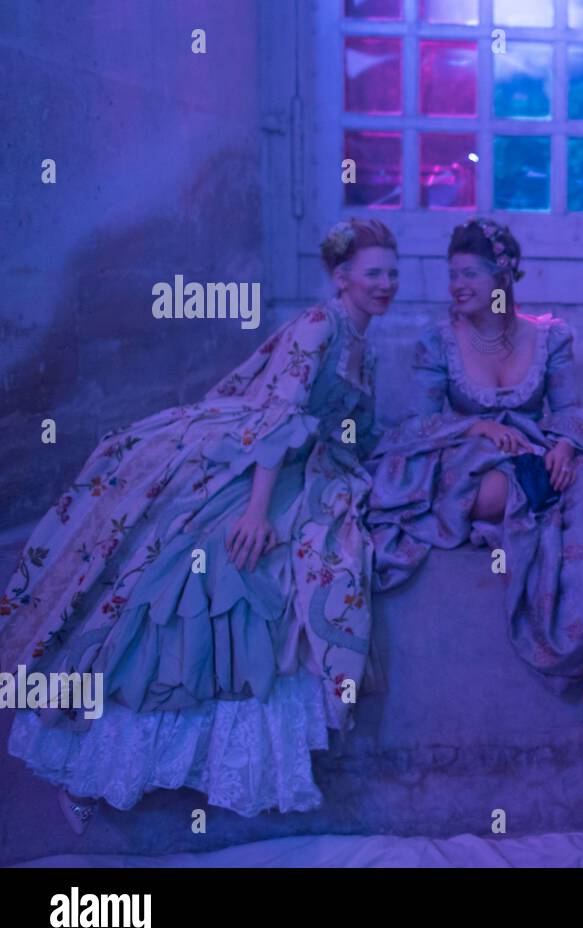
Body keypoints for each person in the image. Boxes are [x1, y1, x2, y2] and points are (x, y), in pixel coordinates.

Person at [2, 218, 396, 828]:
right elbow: (277, 418)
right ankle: (90, 768)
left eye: (393, 273)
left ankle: (209, 764)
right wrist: (256, 511)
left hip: (306, 470)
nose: (386, 284)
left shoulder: (365, 344)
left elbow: (352, 433)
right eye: (374, 273)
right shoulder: (321, 324)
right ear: (342, 278)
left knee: (295, 571)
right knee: (208, 565)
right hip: (260, 461)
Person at [366, 218, 583, 689]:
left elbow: (570, 408)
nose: (457, 285)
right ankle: (514, 506)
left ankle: (571, 635)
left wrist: (564, 444)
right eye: (452, 275)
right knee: (495, 491)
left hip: (534, 449)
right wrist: (476, 425)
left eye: (469, 274)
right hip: (471, 454)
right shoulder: (438, 342)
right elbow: (417, 424)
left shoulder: (549, 336)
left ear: (501, 276)